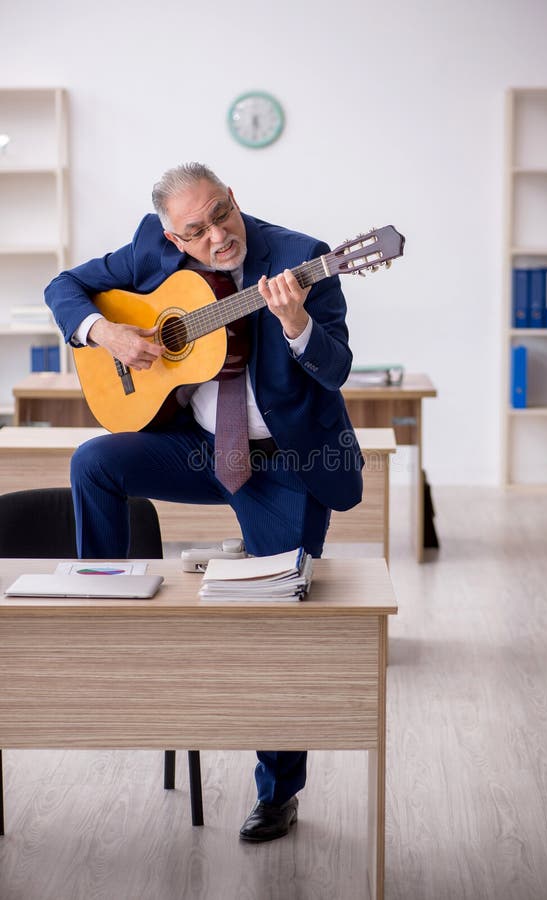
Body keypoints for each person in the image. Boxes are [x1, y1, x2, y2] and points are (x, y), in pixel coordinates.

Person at [45, 162, 364, 843]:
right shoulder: (148, 247)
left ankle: (277, 793)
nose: (219, 235)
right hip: (197, 447)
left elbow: (335, 367)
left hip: (284, 464)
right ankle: (102, 627)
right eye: (197, 229)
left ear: (233, 198)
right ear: (172, 237)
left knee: (281, 622)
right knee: (95, 461)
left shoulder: (302, 256)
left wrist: (296, 321)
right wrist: (106, 334)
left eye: (223, 213)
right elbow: (62, 287)